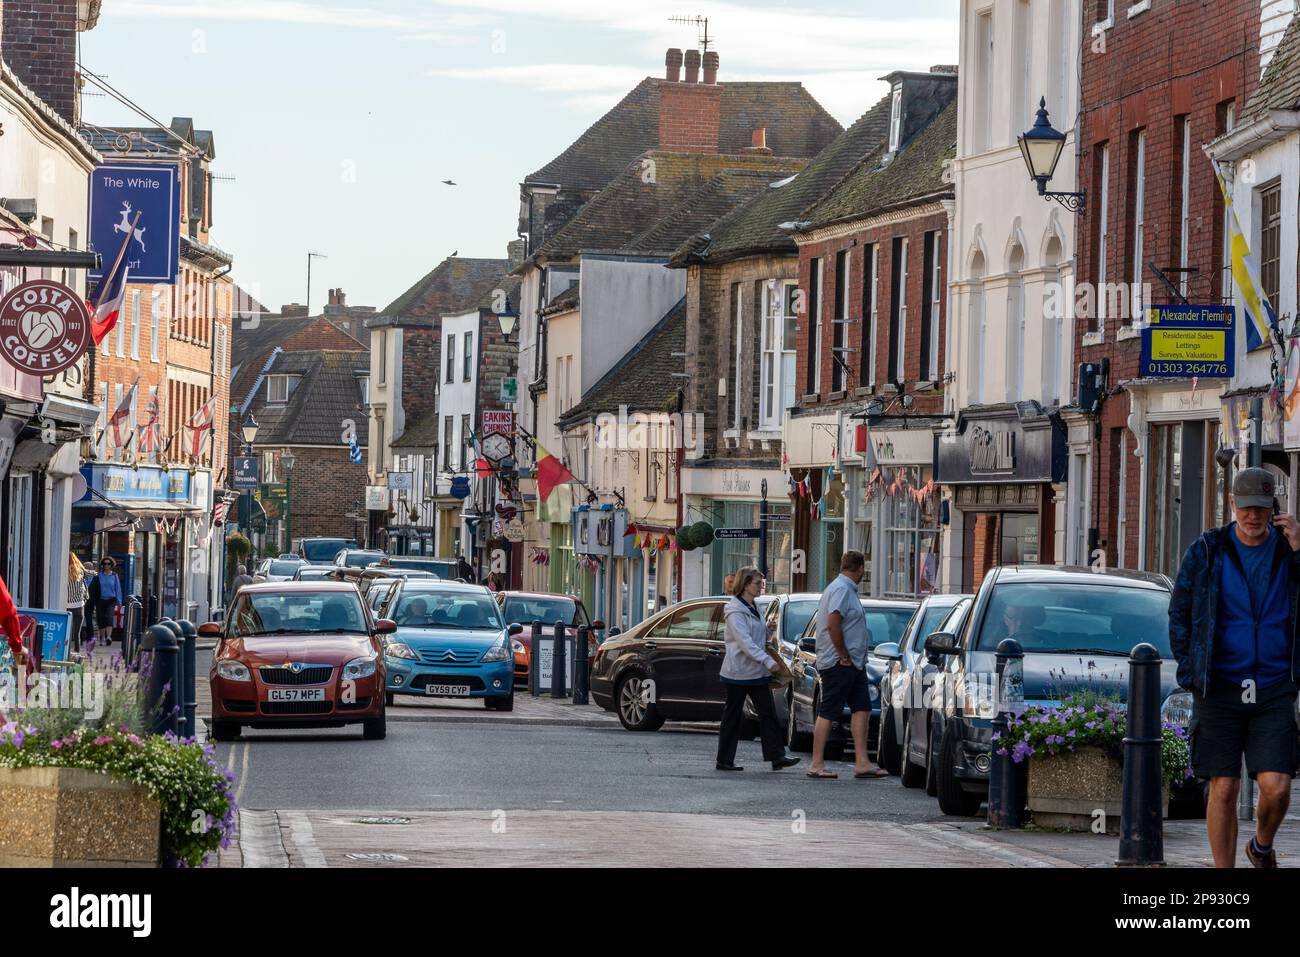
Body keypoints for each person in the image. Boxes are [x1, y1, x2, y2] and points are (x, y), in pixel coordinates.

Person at [1170, 467, 1300, 868]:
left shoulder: (1287, 552)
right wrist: (1192, 672)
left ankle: (1261, 846)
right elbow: (1181, 611)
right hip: (1220, 685)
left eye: (1261, 509)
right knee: (1223, 787)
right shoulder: (1208, 551)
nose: (1253, 517)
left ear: (1273, 509)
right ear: (1231, 505)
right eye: (1245, 508)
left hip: (1275, 685)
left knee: (1276, 787)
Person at [807, 550, 886, 779]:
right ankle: (816, 763)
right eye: (864, 569)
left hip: (854, 663)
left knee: (862, 708)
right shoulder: (842, 589)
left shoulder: (844, 588)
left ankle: (862, 762)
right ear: (860, 568)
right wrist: (842, 654)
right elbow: (833, 622)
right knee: (829, 710)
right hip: (839, 662)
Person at [715, 566, 799, 773]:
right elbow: (744, 642)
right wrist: (767, 660)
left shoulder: (754, 607)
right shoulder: (735, 610)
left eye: (762, 583)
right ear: (745, 585)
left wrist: (767, 631)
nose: (761, 587)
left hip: (756, 672)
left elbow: (758, 639)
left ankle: (776, 756)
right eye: (757, 583)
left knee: (767, 713)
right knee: (733, 717)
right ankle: (724, 760)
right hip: (737, 672)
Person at [87, 556, 123, 645]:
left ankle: (109, 637)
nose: (107, 565)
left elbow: (118, 589)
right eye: (105, 564)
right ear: (102, 565)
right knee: (101, 619)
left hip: (111, 600)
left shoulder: (114, 576)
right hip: (100, 600)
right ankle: (102, 638)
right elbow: (93, 588)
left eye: (109, 564)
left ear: (111, 565)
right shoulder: (99, 576)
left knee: (109, 617)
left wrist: (119, 602)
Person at [66, 553, 88, 655]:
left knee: (67, 632)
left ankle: (66, 653)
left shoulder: (63, 572)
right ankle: (77, 653)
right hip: (79, 605)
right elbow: (83, 587)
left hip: (67, 605)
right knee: (77, 633)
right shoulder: (81, 572)